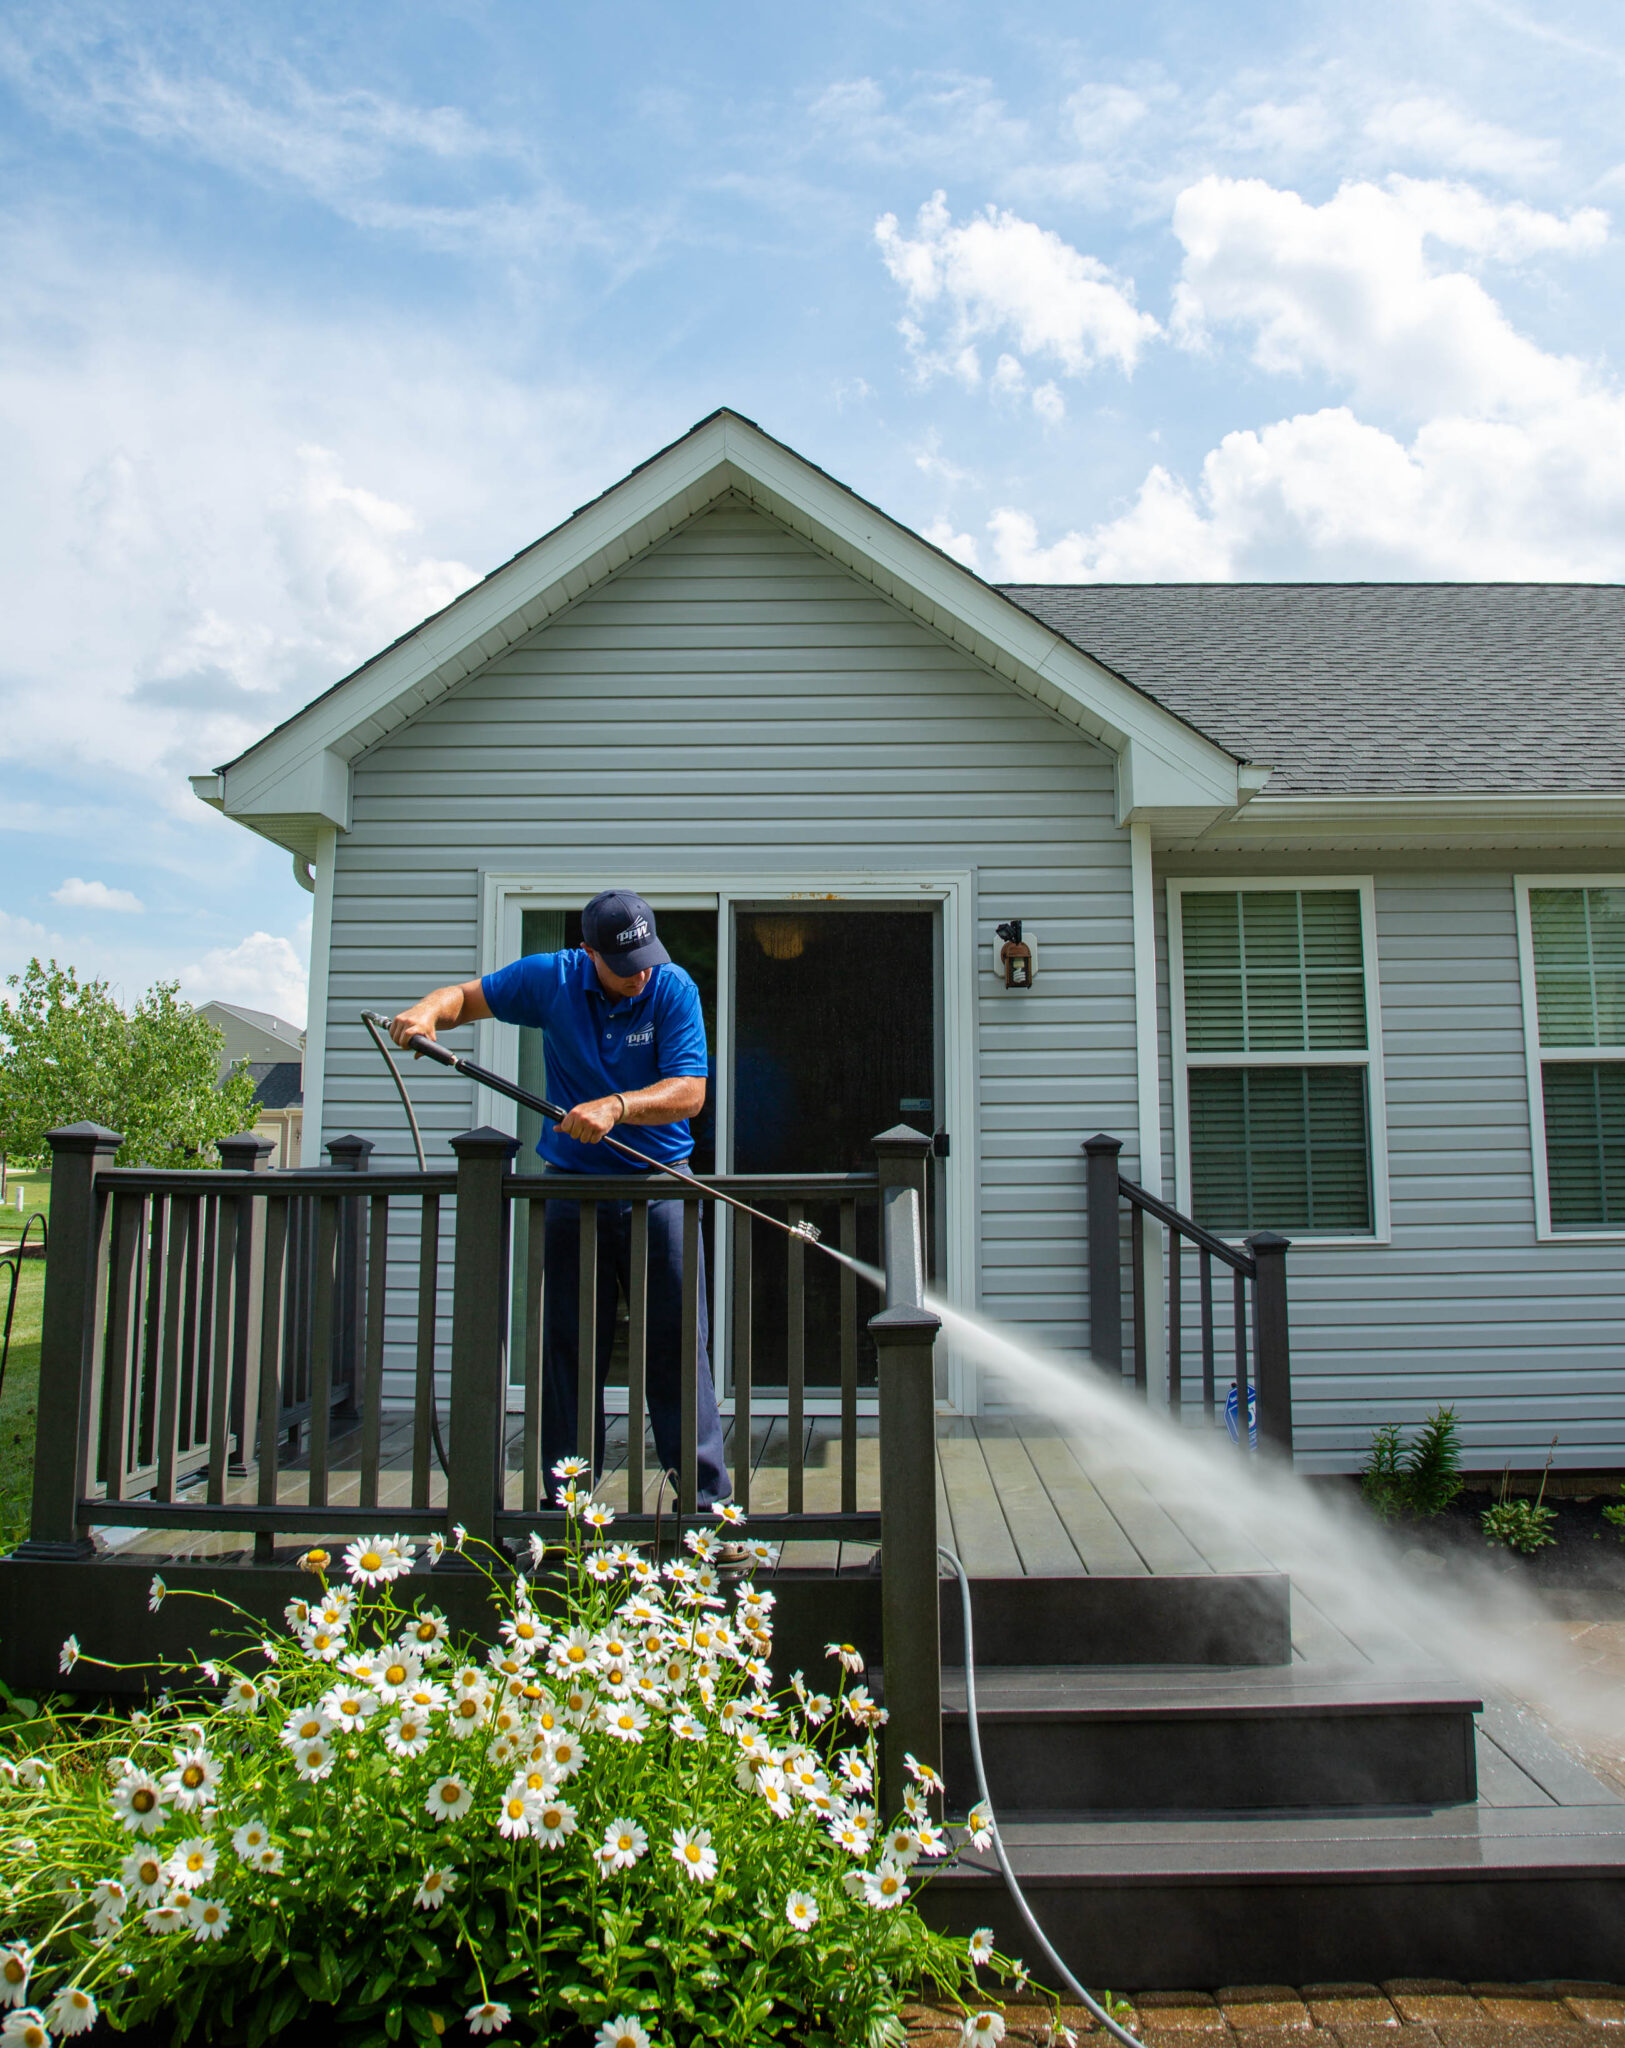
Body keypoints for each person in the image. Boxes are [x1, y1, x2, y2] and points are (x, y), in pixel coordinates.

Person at [391, 889, 730, 1507]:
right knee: (570, 1349)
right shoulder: (551, 978)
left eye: (647, 957)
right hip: (572, 1192)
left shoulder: (672, 987)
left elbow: (689, 1092)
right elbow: (463, 998)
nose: (640, 974)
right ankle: (565, 1507)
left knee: (678, 1349)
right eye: (625, 964)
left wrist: (618, 1106)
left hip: (658, 1190)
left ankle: (705, 1506)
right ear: (588, 952)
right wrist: (424, 1014)